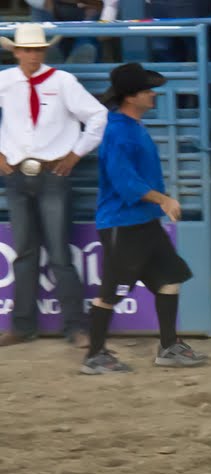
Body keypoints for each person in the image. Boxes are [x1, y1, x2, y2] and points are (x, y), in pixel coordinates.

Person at [81, 62, 208, 375]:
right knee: (109, 292)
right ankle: (95, 355)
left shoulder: (129, 127)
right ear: (130, 97)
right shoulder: (118, 131)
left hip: (142, 221)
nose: (153, 94)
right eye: (147, 89)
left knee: (170, 278)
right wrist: (163, 199)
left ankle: (168, 346)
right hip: (123, 224)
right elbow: (124, 182)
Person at [0, 22, 106, 349]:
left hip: (52, 173)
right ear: (16, 52)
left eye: (37, 50)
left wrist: (75, 153)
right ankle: (26, 325)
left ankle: (73, 326)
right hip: (18, 173)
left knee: (58, 253)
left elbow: (98, 115)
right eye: (27, 50)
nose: (32, 56)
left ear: (43, 51)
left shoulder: (62, 82)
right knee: (27, 253)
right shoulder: (5, 81)